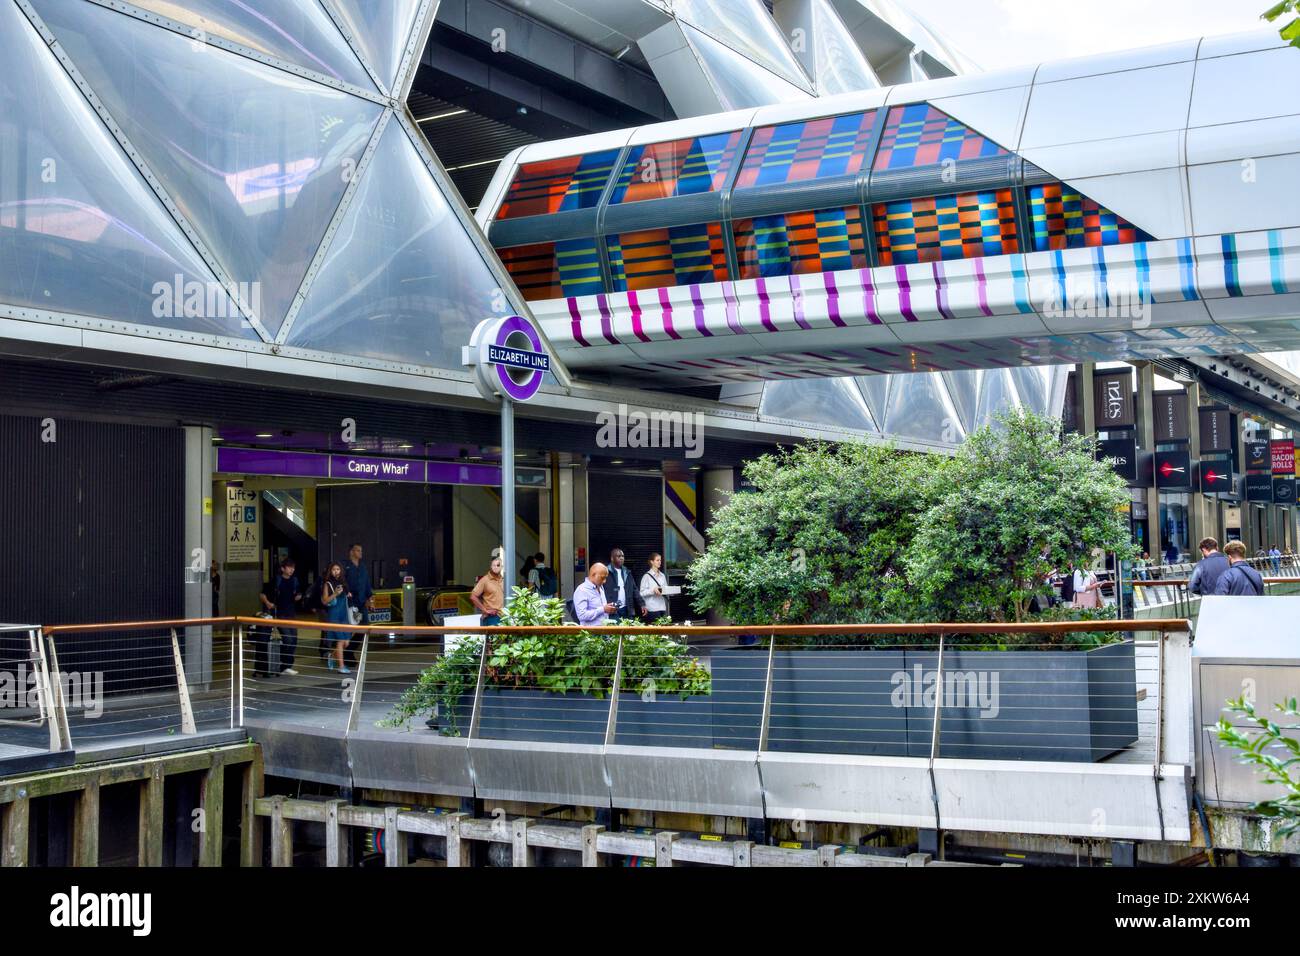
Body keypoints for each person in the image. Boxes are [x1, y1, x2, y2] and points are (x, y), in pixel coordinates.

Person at [257, 558, 303, 677]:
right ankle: (283, 665)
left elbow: (298, 593)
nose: (292, 569)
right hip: (279, 615)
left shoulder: (295, 580)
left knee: (293, 641)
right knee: (288, 639)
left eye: (293, 567)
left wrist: (298, 596)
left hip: (291, 614)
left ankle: (286, 666)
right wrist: (268, 603)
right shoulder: (276, 580)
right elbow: (262, 594)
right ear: (283, 568)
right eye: (289, 567)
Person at [343, 543, 374, 669]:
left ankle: (348, 651)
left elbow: (367, 584)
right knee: (349, 629)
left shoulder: (363, 567)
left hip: (361, 603)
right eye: (358, 550)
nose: (361, 553)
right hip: (350, 603)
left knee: (364, 627)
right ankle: (344, 654)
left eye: (361, 550)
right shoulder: (346, 566)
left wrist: (370, 599)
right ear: (351, 552)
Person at [319, 562, 352, 673]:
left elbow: (348, 595)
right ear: (330, 571)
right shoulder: (327, 584)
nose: (336, 571)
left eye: (338, 569)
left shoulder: (344, 583)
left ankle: (332, 656)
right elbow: (324, 601)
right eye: (333, 569)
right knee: (341, 640)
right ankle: (341, 666)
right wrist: (335, 594)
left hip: (344, 615)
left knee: (346, 642)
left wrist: (348, 594)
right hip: (334, 615)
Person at [602, 548, 645, 620]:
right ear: (612, 558)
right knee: (615, 630)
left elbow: (634, 589)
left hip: (627, 608)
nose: (621, 558)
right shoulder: (605, 571)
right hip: (612, 608)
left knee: (627, 630)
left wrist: (642, 604)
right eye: (618, 556)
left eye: (623, 556)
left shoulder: (627, 572)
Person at [471, 555, 506, 625]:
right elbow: (473, 596)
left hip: (505, 617)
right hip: (492, 617)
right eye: (494, 565)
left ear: (501, 567)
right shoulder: (485, 580)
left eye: (498, 565)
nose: (496, 567)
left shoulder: (504, 580)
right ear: (490, 566)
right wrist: (485, 610)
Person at [639, 552, 669, 620]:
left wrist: (671, 591)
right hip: (652, 608)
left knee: (662, 629)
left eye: (660, 560)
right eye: (657, 560)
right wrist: (653, 590)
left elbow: (665, 589)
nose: (660, 562)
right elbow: (641, 593)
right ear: (652, 562)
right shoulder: (646, 576)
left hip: (662, 607)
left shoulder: (662, 575)